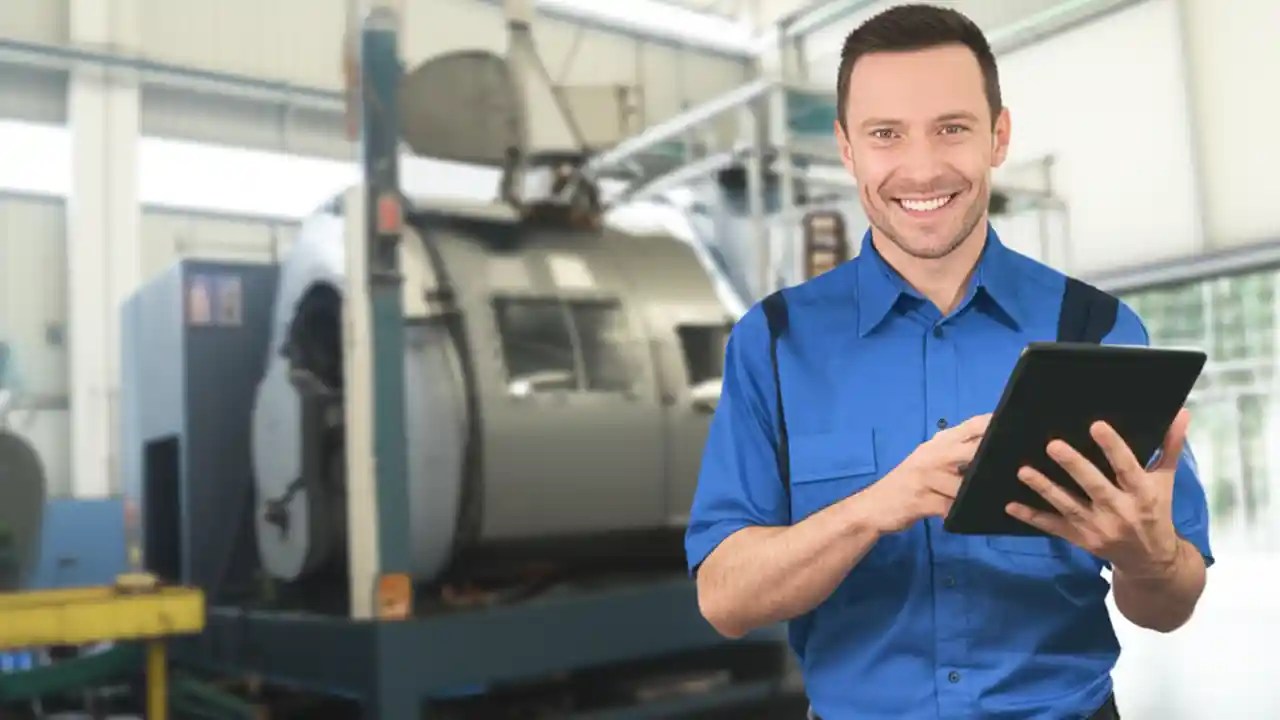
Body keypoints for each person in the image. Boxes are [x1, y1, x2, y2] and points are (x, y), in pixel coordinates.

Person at [683, 5, 1213, 719]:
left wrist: (1148, 558)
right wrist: (872, 510)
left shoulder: (1097, 331)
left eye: (952, 128)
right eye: (885, 135)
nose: (922, 167)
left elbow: (1170, 605)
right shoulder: (775, 342)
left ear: (998, 136)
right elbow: (724, 601)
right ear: (847, 149)